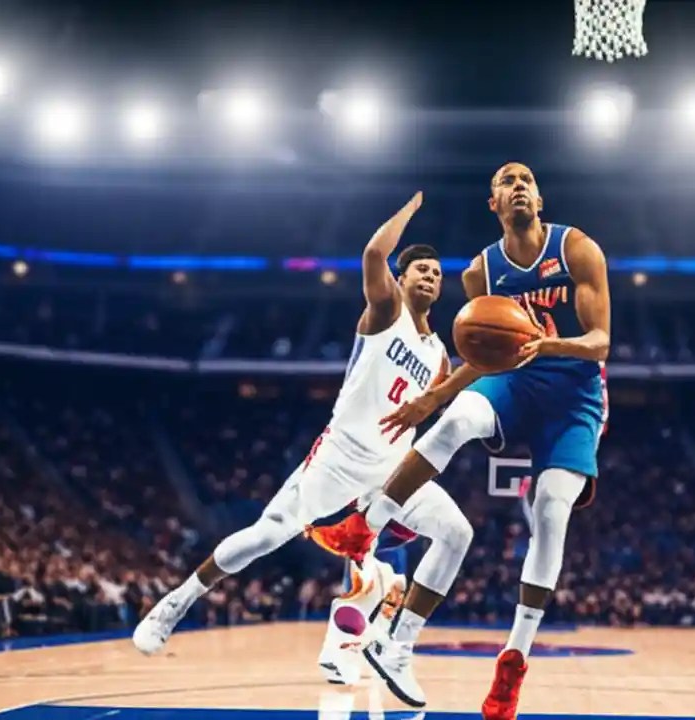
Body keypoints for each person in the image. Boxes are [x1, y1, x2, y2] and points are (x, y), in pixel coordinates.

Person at [132, 194, 474, 692]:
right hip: (339, 460)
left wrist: (489, 364)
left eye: (436, 273)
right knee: (266, 536)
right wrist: (408, 213)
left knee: (455, 533)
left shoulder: (439, 352)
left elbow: (443, 394)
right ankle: (177, 601)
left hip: (394, 471)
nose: (430, 276)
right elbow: (373, 256)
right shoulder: (386, 311)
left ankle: (393, 647)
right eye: (421, 269)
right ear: (402, 279)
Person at [309, 162, 610, 719]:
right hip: (516, 382)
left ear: (539, 197)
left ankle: (512, 662)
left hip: (573, 396)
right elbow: (483, 355)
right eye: (505, 181)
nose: (517, 185)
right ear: (493, 204)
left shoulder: (577, 250)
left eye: (526, 179)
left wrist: (547, 346)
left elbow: (599, 342)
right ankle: (364, 529)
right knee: (455, 420)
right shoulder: (481, 274)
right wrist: (433, 397)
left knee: (551, 509)